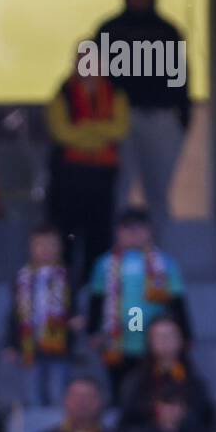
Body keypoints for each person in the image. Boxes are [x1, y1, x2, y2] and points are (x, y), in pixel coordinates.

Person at [94, 0, 190, 228]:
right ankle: (116, 258)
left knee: (158, 193)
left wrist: (183, 117)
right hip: (120, 119)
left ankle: (158, 261)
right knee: (118, 190)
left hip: (161, 116)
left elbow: (181, 76)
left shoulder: (167, 30)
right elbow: (96, 78)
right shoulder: (110, 30)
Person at [46, 49, 129, 285]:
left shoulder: (115, 93)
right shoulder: (63, 94)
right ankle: (63, 297)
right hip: (69, 178)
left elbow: (120, 129)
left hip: (102, 178)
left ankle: (96, 295)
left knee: (99, 239)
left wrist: (86, 128)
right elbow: (62, 132)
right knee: (67, 239)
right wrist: (99, 131)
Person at [87, 206, 188, 399]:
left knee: (153, 386)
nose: (133, 233)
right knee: (119, 387)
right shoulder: (104, 264)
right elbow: (97, 300)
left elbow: (177, 301)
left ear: (149, 231)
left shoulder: (165, 263)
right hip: (117, 340)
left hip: (152, 342)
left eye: (139, 227)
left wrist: (185, 335)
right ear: (118, 232)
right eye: (127, 228)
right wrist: (93, 331)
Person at [5, 225, 75, 406]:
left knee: (57, 392)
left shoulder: (68, 276)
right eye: (40, 245)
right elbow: (14, 314)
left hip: (60, 347)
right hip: (30, 345)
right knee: (32, 394)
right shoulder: (22, 278)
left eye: (50, 245)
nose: (45, 250)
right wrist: (11, 344)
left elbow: (75, 310)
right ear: (31, 248)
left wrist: (76, 321)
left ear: (59, 248)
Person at [118, 313, 214, 432]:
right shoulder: (136, 380)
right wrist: (155, 412)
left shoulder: (194, 380)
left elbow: (206, 418)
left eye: (170, 335)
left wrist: (180, 415)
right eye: (159, 336)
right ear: (149, 342)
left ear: (181, 340)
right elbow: (128, 419)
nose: (164, 341)